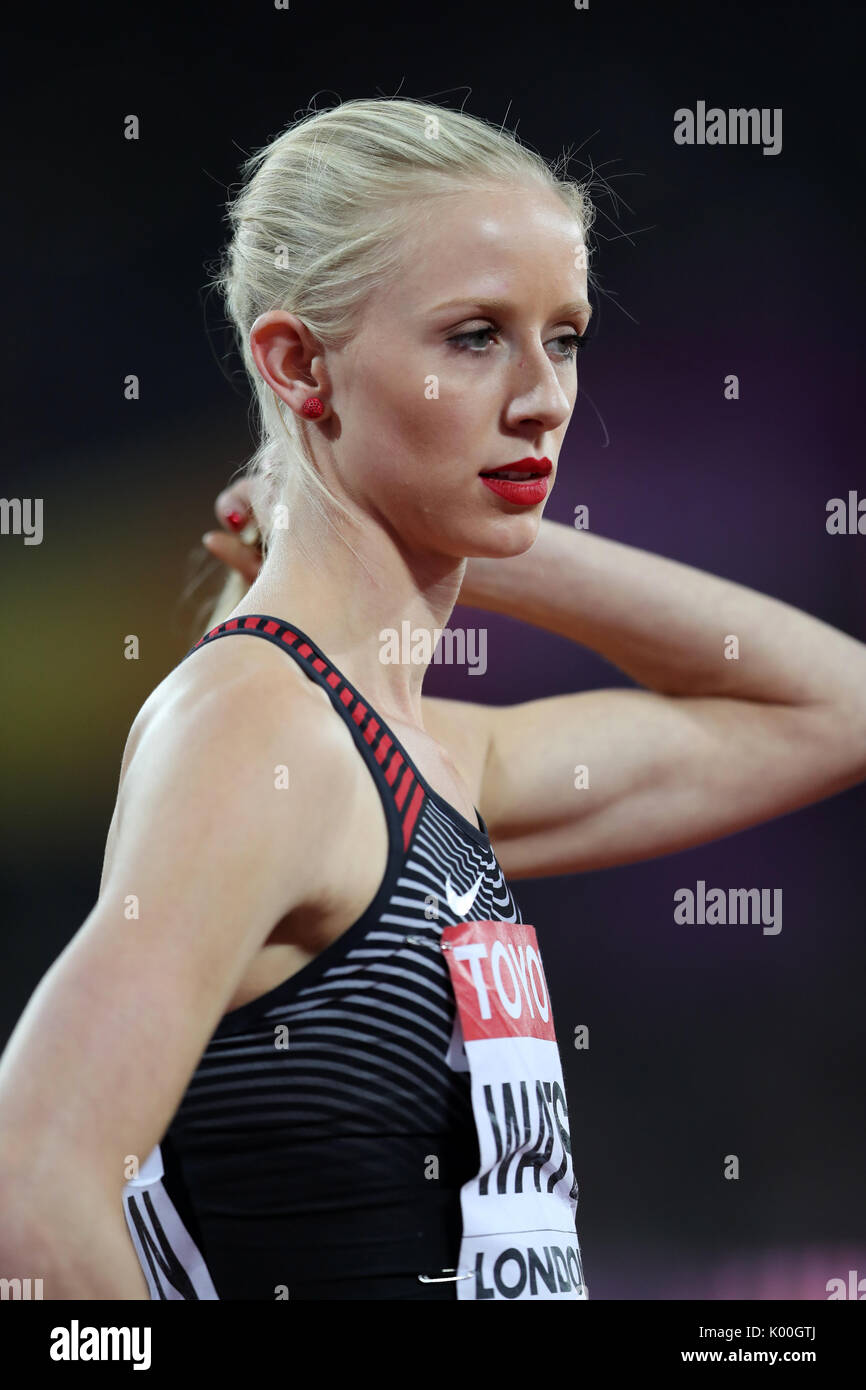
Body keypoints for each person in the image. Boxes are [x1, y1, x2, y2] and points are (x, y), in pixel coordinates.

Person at [2, 96, 866, 1303]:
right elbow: (32, 1195)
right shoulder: (261, 733)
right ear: (300, 364)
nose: (543, 396)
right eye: (472, 336)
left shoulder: (419, 762)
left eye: (561, 337)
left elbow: (835, 710)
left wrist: (511, 537)